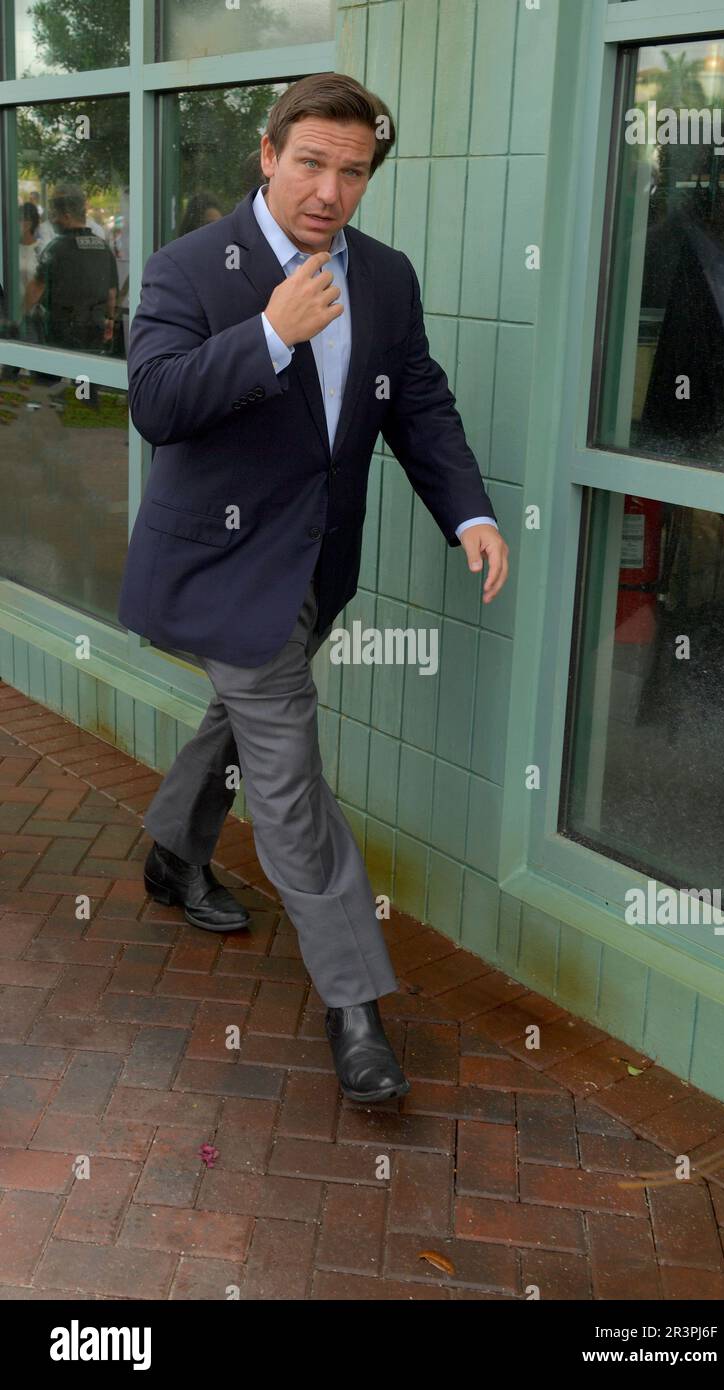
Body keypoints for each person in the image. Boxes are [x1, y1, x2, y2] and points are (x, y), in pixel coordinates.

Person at [118, 72, 510, 1104]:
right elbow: (155, 402)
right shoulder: (191, 267)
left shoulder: (384, 277)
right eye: (310, 163)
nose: (329, 190)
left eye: (352, 170)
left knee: (238, 717)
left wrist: (465, 509)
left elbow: (415, 400)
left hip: (313, 567)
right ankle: (354, 1007)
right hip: (221, 566)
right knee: (290, 781)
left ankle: (171, 852)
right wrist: (270, 333)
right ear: (267, 154)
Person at [23, 183, 118, 357]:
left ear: (67, 217)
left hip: (63, 331)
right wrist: (110, 320)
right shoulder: (103, 247)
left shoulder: (57, 248)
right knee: (87, 378)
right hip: (95, 328)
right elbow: (111, 295)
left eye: (56, 216)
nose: (53, 220)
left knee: (57, 379)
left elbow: (36, 287)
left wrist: (17, 318)